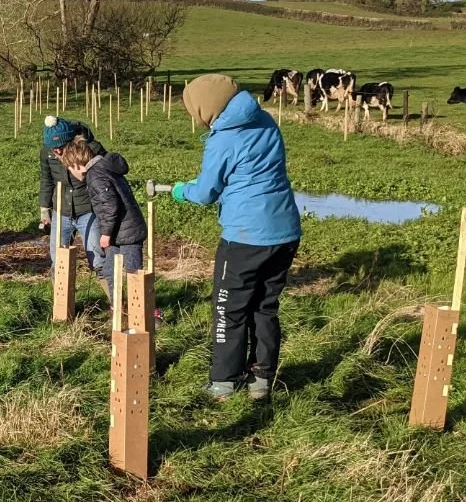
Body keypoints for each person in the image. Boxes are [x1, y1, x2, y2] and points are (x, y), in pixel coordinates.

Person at [173, 74, 301, 402]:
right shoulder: (265, 119)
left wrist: (181, 191)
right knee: (265, 307)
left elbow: (204, 193)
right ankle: (261, 382)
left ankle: (223, 384)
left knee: (228, 308)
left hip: (245, 237)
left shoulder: (223, 139)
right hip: (284, 231)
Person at [59, 134, 146, 305]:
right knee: (110, 270)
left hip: (126, 233)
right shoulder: (104, 168)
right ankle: (118, 308)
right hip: (119, 232)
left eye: (70, 168)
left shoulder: (95, 176)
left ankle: (146, 312)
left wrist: (105, 234)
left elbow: (109, 206)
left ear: (78, 164)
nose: (71, 172)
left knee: (133, 273)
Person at [39, 115, 106, 273]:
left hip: (88, 210)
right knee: (58, 261)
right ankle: (60, 296)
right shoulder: (47, 152)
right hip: (61, 211)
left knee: (98, 261)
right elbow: (46, 179)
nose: (57, 151)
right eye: (53, 147)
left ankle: (113, 297)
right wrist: (44, 207)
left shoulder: (90, 149)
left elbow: (106, 178)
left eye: (61, 146)